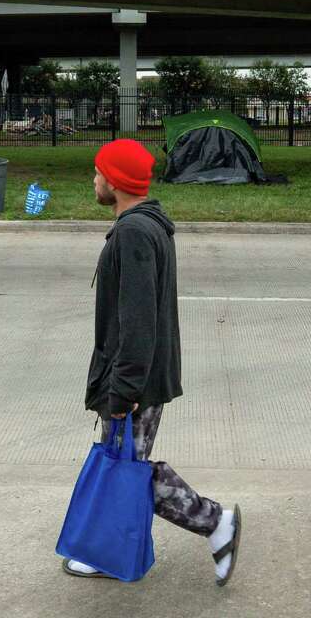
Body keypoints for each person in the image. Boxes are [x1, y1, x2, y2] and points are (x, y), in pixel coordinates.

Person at [62, 138, 241, 587]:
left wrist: (123, 391)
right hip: (134, 376)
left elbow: (138, 320)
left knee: (130, 469)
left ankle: (216, 523)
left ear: (116, 181)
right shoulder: (144, 226)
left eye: (99, 171)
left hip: (134, 382)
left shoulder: (135, 233)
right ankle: (106, 552)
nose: (94, 179)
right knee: (122, 462)